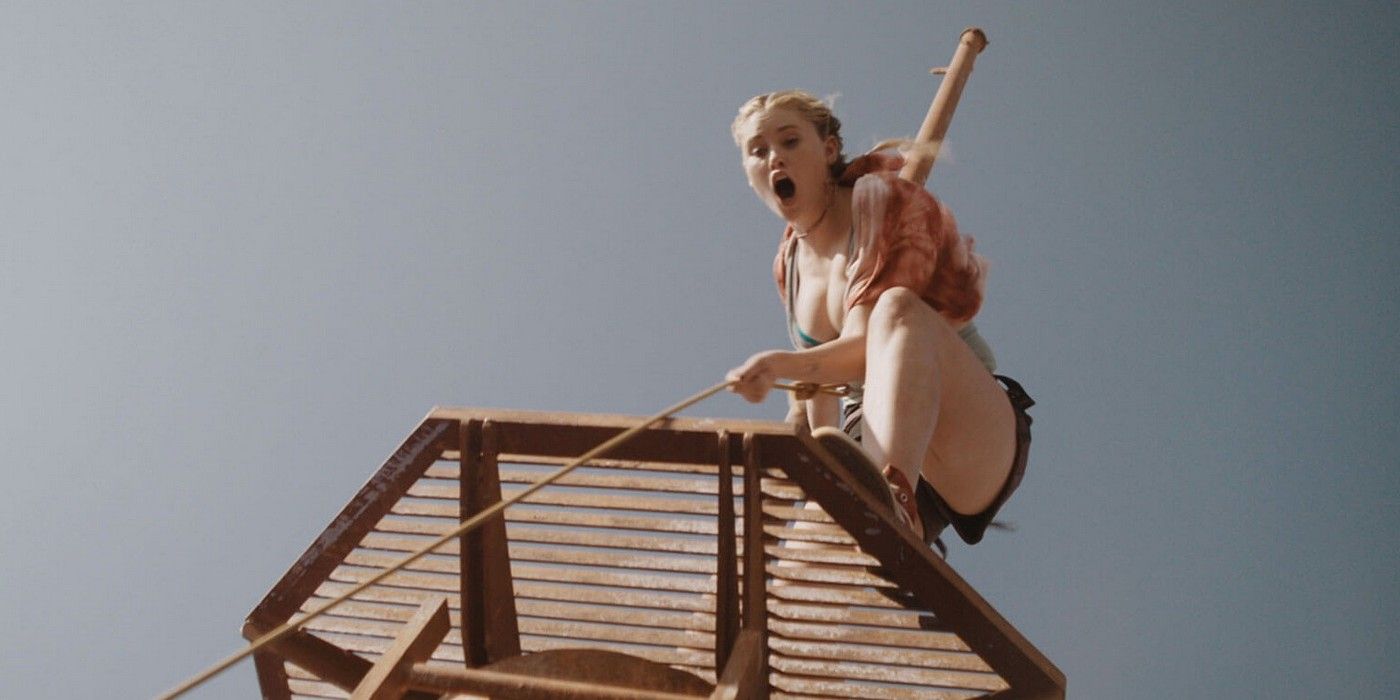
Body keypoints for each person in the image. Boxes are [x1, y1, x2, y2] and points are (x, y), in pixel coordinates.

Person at [724, 90, 1034, 553]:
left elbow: (863, 349)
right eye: (758, 150)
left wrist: (778, 364)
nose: (775, 159)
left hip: (966, 435)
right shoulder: (788, 266)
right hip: (866, 439)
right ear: (749, 175)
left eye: (789, 141)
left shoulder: (882, 201)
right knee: (798, 568)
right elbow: (821, 403)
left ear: (829, 150)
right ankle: (868, 522)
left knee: (896, 308)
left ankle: (892, 501)